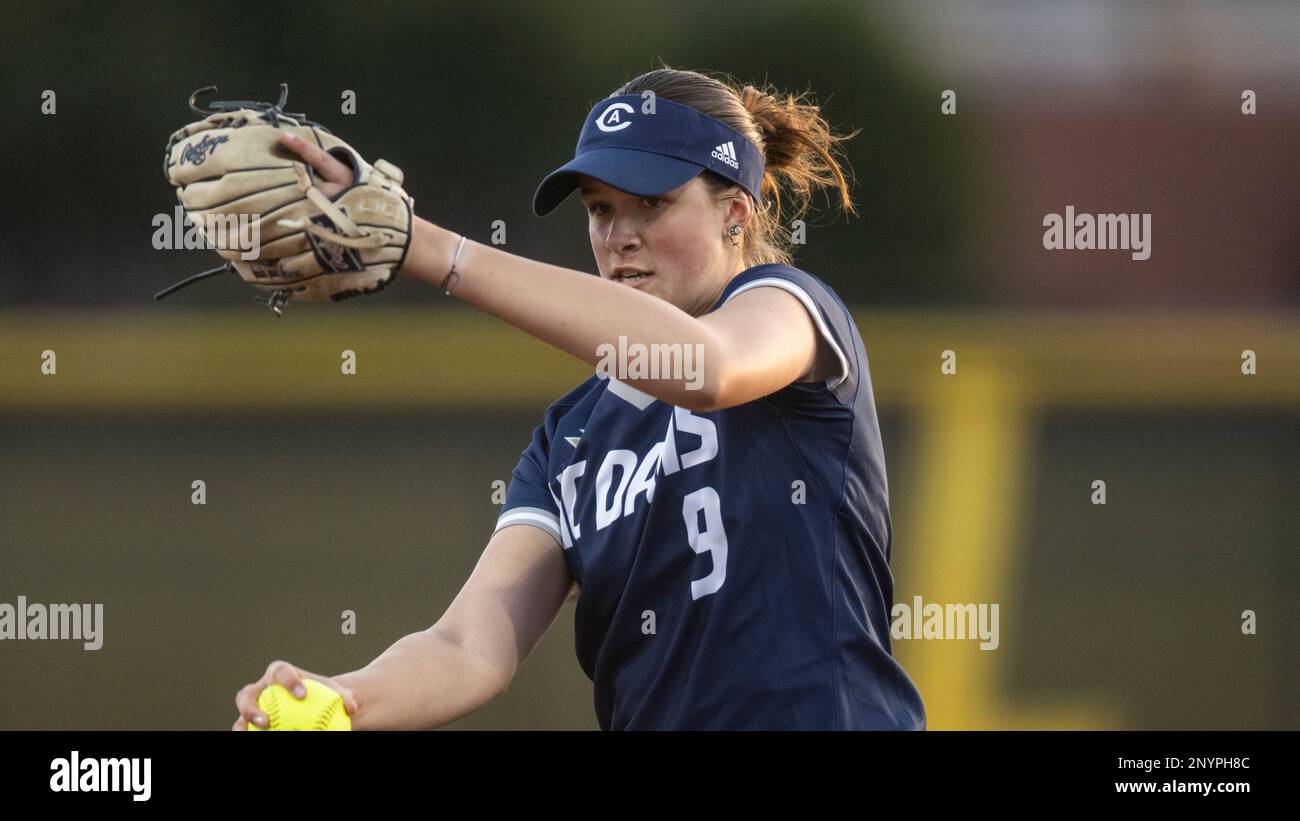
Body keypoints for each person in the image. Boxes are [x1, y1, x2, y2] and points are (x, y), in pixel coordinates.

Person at [233, 67, 926, 730]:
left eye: (651, 202)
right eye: (600, 209)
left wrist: (426, 247)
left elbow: (706, 366)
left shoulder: (791, 311)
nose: (619, 235)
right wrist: (341, 697)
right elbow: (468, 647)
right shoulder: (574, 434)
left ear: (736, 213)